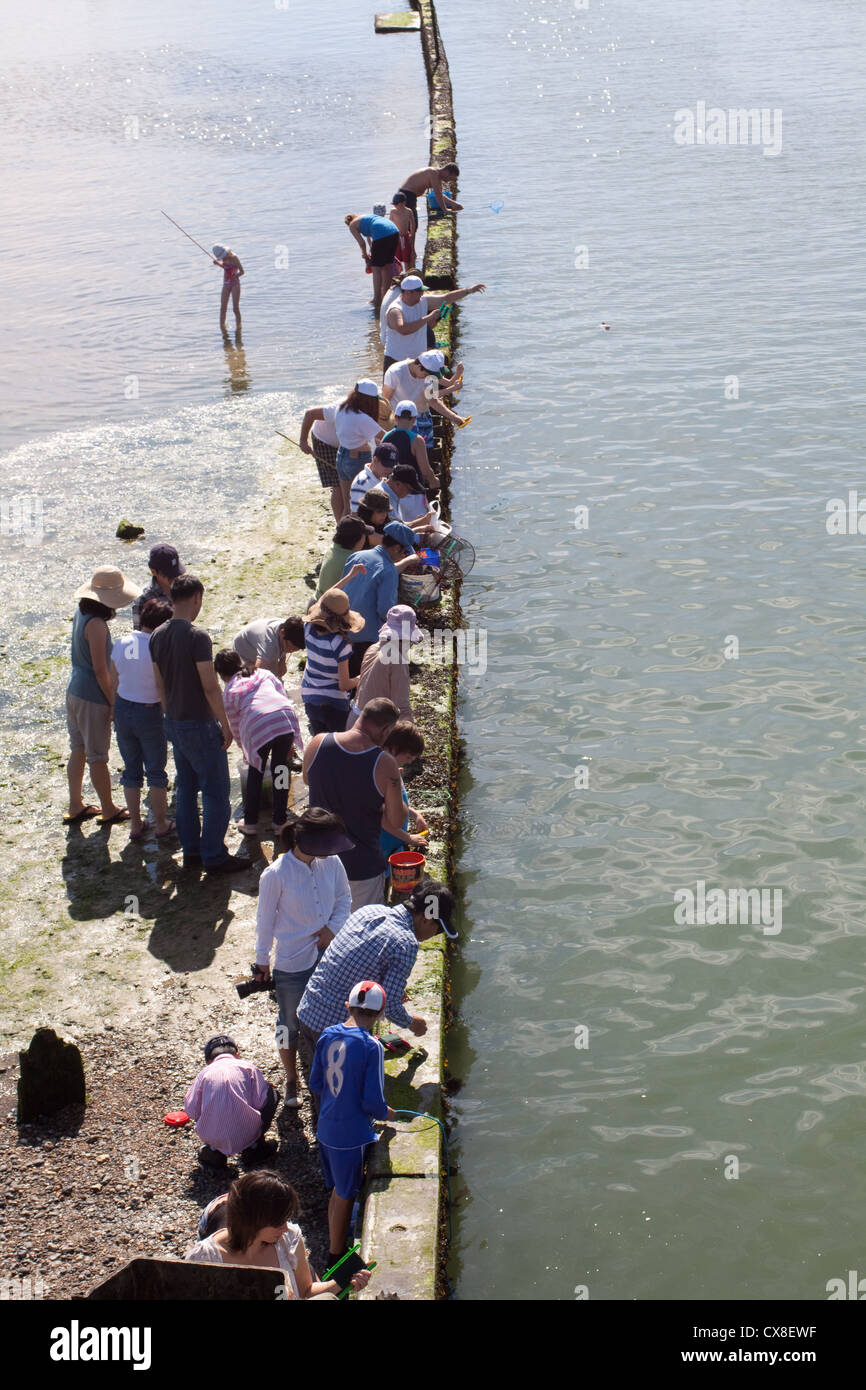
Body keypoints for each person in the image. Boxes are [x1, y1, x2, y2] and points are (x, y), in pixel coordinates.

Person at [297, 876, 458, 1081]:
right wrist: (412, 1023)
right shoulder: (406, 943)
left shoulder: (370, 911)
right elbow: (390, 1005)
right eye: (438, 930)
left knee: (321, 1084)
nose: (434, 935)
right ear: (426, 919)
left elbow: (358, 962)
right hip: (337, 1030)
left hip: (309, 1010)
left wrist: (390, 989)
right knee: (340, 1094)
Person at [253, 809, 354, 1108]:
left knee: (328, 1016)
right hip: (292, 962)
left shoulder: (332, 863)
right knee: (289, 1023)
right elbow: (264, 921)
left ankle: (324, 1074)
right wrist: (262, 961)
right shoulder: (275, 874)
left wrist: (331, 930)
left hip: (328, 954)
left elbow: (344, 898)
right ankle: (291, 1079)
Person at [150, 574, 247, 873]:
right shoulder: (197, 636)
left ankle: (192, 851)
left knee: (187, 789)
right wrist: (226, 723)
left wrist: (170, 716)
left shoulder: (156, 634)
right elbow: (210, 686)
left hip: (174, 722)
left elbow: (159, 684)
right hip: (200, 724)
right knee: (216, 791)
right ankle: (214, 855)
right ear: (196, 598)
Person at [310, 980, 396, 1268]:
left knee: (337, 1187)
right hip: (352, 1134)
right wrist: (388, 1114)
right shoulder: (372, 1046)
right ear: (381, 1014)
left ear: (347, 1005)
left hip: (325, 1128)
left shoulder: (326, 1035)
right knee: (347, 1193)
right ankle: (336, 1255)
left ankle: (335, 1236)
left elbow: (316, 1083)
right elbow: (372, 1102)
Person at [185, 1171, 371, 1298]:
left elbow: (306, 1292)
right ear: (251, 1220)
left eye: (286, 1219)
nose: (285, 1227)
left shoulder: (289, 1239)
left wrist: (343, 1280)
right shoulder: (205, 1257)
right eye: (277, 1222)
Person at [303, 696, 404, 909]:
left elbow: (307, 779)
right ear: (385, 730)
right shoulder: (385, 764)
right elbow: (395, 820)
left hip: (318, 862)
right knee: (361, 935)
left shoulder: (317, 742)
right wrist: (393, 787)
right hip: (361, 868)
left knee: (322, 932)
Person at [64, 566, 139, 826]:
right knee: (97, 755)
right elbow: (100, 669)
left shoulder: (81, 613)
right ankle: (108, 808)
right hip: (91, 696)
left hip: (74, 690)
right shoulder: (97, 625)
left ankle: (76, 804)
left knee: (78, 748)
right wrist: (112, 700)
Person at [214, 649, 303, 836]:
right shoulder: (263, 673)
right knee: (281, 769)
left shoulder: (229, 691)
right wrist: (290, 741)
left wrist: (245, 749)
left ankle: (250, 823)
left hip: (258, 726)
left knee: (256, 773)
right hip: (284, 718)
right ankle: (280, 821)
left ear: (221, 674)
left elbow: (235, 726)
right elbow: (281, 695)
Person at [109, 597, 175, 841]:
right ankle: (161, 823)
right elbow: (164, 686)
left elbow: (113, 680)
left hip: (123, 708)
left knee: (131, 770)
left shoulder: (123, 642)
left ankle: (135, 825)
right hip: (150, 711)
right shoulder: (159, 648)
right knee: (156, 771)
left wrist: (112, 710)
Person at [184, 1035, 280, 1170]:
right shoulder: (248, 1068)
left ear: (209, 1061)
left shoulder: (203, 1074)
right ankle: (255, 1147)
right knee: (272, 1093)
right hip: (248, 1132)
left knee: (204, 1103)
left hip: (211, 1136)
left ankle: (214, 1151)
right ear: (237, 1054)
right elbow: (260, 1102)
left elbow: (191, 1111)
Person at [337, 521, 421, 674]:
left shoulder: (357, 556)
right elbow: (385, 611)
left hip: (342, 631)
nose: (403, 556)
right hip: (366, 638)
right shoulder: (389, 571)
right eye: (404, 552)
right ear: (396, 548)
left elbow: (341, 590)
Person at [382, 275, 485, 372]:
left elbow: (446, 298)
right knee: (392, 391)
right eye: (419, 291)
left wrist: (468, 290)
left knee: (428, 390)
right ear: (408, 292)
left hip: (418, 361)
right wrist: (429, 317)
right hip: (396, 361)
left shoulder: (423, 301)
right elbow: (404, 329)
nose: (422, 294)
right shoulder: (395, 310)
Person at [301, 584, 365, 736]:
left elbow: (322, 600)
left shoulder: (307, 629)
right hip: (333, 704)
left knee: (320, 743)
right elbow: (344, 685)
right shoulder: (340, 645)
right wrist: (361, 678)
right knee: (338, 746)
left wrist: (350, 576)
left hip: (311, 699)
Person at [347, 606, 422, 728]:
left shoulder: (373, 648)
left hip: (354, 718)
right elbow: (402, 706)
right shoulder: (397, 659)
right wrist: (411, 734)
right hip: (372, 726)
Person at [383, 350, 467, 447]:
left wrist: (455, 418)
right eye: (426, 375)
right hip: (402, 421)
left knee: (426, 451)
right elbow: (385, 401)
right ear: (419, 367)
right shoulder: (395, 373)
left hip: (423, 417)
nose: (427, 379)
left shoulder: (428, 375)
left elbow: (433, 400)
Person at [380, 721, 429, 871]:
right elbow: (381, 817)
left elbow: (396, 804)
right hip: (384, 845)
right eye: (408, 757)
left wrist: (416, 815)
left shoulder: (394, 770)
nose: (409, 762)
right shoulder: (381, 773)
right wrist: (409, 838)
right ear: (393, 749)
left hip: (395, 840)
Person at [392, 163, 463, 264]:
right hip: (406, 196)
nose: (449, 181)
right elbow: (438, 195)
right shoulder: (434, 173)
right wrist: (445, 210)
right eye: (451, 178)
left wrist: (454, 204)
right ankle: (409, 254)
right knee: (410, 227)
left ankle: (409, 253)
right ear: (447, 172)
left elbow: (440, 194)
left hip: (408, 196)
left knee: (412, 227)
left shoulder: (436, 175)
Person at [334, 380, 385, 514]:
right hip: (357, 461)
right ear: (369, 400)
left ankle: (342, 532)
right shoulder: (362, 418)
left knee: (348, 506)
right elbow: (386, 437)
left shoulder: (342, 408)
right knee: (362, 508)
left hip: (341, 456)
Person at [298, 400, 345, 522]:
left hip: (344, 443)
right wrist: (303, 441)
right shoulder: (338, 409)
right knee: (338, 484)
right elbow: (310, 414)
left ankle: (348, 518)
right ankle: (340, 524)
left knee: (347, 481)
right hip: (324, 441)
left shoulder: (370, 412)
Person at [344, 212, 399, 312]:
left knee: (376, 268)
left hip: (382, 234)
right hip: (394, 231)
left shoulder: (352, 225)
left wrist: (364, 255)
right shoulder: (364, 217)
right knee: (387, 266)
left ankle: (376, 299)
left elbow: (361, 243)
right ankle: (385, 296)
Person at [381, 398, 436, 490]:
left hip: (392, 488)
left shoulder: (386, 436)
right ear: (414, 419)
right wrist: (434, 480)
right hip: (412, 489)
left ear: (395, 417)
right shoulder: (417, 440)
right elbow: (425, 471)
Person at [316, 516, 374, 599]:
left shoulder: (332, 549)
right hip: (329, 608)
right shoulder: (354, 561)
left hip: (316, 601)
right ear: (357, 538)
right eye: (364, 535)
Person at [131, 543, 185, 631]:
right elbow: (140, 635)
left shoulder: (183, 588)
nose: (175, 578)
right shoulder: (143, 599)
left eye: (177, 573)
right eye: (169, 575)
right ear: (153, 571)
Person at [231, 615, 305, 679]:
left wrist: (282, 661)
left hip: (260, 644)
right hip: (243, 650)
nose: (292, 651)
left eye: (296, 649)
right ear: (282, 632)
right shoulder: (269, 643)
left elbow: (286, 643)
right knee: (251, 679)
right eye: (290, 647)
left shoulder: (291, 627)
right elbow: (258, 675)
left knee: (276, 673)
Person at [348, 440, 398, 512]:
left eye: (392, 466)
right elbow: (356, 514)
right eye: (386, 465)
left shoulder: (383, 477)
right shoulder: (362, 483)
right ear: (375, 460)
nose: (389, 469)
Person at [211, 244, 244, 334]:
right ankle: (222, 329)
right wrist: (218, 264)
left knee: (235, 308)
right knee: (223, 308)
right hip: (225, 284)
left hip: (235, 284)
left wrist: (235, 276)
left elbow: (242, 272)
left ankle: (239, 329)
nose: (222, 259)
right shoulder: (223, 259)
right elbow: (226, 268)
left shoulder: (234, 258)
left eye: (222, 257)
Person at [388, 192, 415, 270]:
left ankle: (408, 273)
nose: (395, 206)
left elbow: (412, 224)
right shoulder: (393, 211)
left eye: (397, 204)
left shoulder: (408, 211)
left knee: (407, 259)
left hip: (405, 237)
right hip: (396, 238)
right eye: (394, 204)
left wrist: (412, 235)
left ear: (403, 203)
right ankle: (398, 277)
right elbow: (389, 224)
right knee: (397, 260)